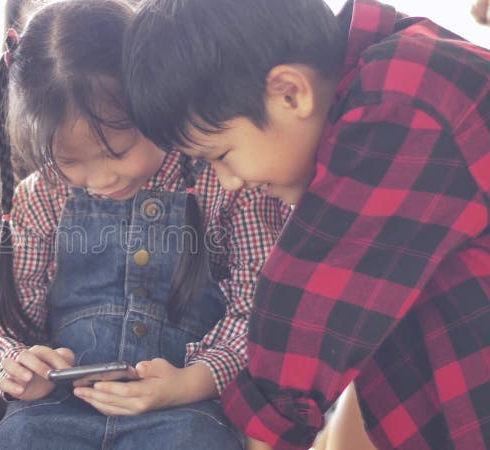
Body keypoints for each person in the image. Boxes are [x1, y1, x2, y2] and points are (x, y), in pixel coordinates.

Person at [122, 0, 490, 449]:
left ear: (290, 94)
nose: (229, 181)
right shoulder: (381, 70)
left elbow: (312, 300)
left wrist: (266, 428)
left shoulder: (404, 95)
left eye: (221, 156)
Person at [0, 1, 290, 448]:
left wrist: (192, 381)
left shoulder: (226, 180)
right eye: (70, 161)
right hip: (54, 410)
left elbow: (261, 314)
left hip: (184, 409)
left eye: (116, 152)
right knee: (20, 436)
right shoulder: (41, 197)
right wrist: (16, 367)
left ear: (156, 103)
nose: (100, 180)